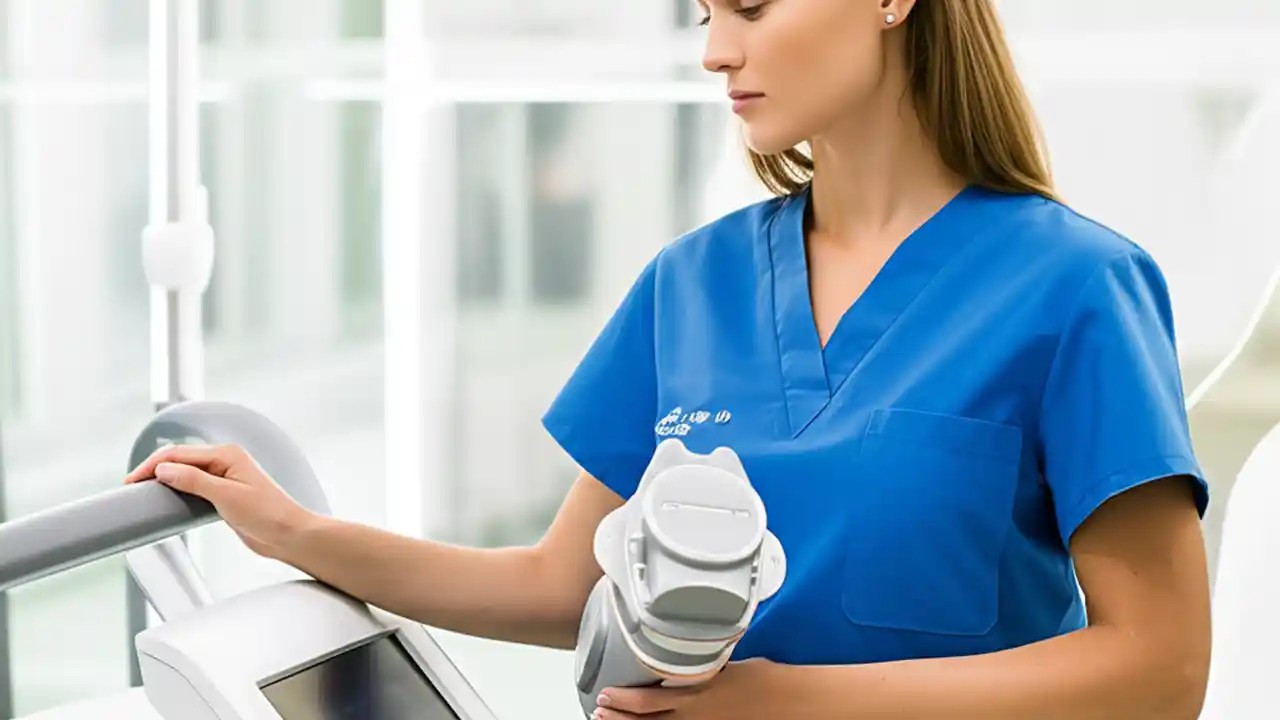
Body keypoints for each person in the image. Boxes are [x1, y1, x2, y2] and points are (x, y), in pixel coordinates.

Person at [124, 1, 1213, 717]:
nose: (712, 50)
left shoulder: (1072, 287)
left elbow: (1158, 669)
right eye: (702, 14)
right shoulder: (691, 285)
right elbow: (563, 587)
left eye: (749, 6)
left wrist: (790, 705)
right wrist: (300, 535)